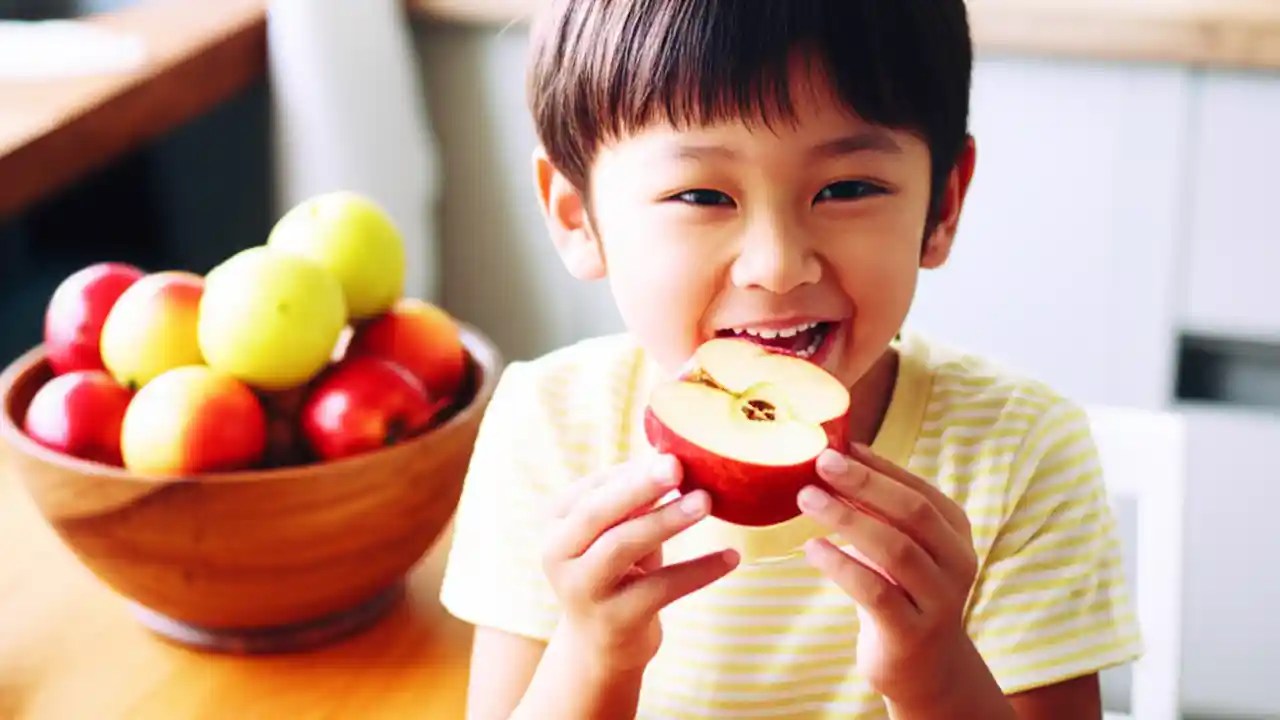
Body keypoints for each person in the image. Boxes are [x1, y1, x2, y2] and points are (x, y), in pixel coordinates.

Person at [438, 1, 1142, 718]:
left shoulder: (1021, 449)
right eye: (702, 195)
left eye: (847, 189)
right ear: (575, 216)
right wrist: (595, 651)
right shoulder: (548, 426)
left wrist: (932, 667)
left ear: (944, 204)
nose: (776, 267)